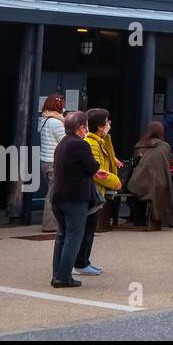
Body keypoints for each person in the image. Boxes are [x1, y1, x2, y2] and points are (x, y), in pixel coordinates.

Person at [49, 111, 106, 288]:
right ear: (81, 128)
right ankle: (64, 277)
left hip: (58, 195)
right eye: (86, 127)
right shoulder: (80, 145)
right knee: (74, 236)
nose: (87, 130)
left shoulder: (62, 144)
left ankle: (57, 274)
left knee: (62, 235)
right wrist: (96, 169)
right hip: (74, 198)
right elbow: (92, 166)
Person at [79, 108, 120, 271]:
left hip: (96, 191)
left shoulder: (100, 141)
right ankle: (81, 263)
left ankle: (84, 262)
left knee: (89, 230)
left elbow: (107, 158)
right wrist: (115, 181)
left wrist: (107, 138)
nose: (109, 124)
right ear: (100, 125)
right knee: (86, 231)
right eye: (107, 121)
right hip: (92, 191)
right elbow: (96, 171)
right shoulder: (92, 143)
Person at [127, 121, 173, 228]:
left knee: (138, 189)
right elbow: (170, 161)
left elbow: (134, 163)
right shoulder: (165, 146)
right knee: (160, 188)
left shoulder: (139, 145)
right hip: (159, 184)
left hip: (138, 184)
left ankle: (138, 220)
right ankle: (160, 220)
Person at [37, 94, 66, 233]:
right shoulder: (56, 123)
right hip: (55, 161)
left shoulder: (44, 120)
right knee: (53, 193)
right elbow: (65, 140)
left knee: (52, 191)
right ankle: (50, 224)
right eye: (62, 105)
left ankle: (54, 222)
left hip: (45, 160)